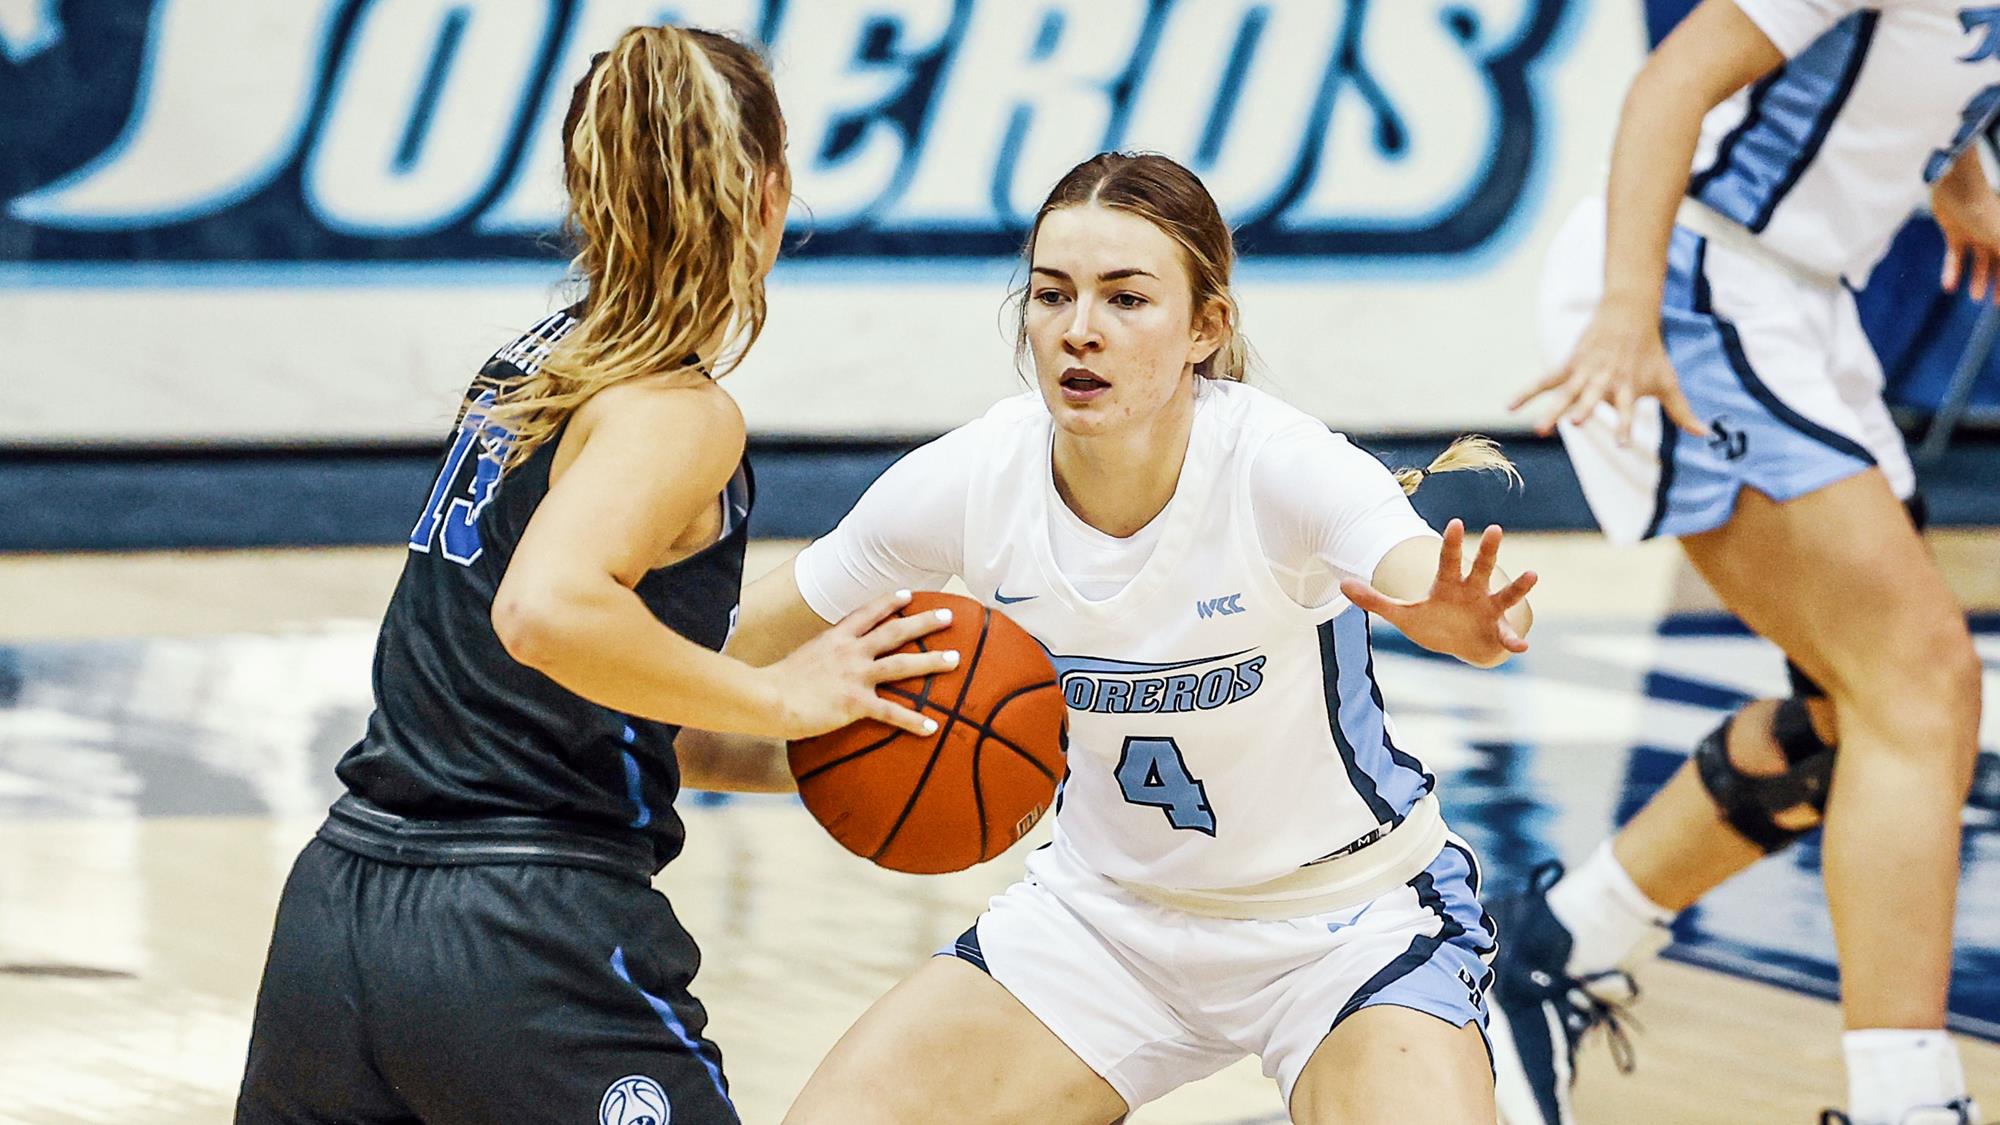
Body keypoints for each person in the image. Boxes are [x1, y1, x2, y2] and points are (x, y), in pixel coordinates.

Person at [713, 151, 1537, 1124]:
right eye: (1051, 295)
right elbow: (716, 658)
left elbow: (1432, 583)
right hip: (1102, 922)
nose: (1079, 331)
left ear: (1205, 327)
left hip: (1346, 923)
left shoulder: (1281, 466)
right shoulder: (971, 479)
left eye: (1125, 299)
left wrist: (1461, 621)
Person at [233, 25, 954, 1125]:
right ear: (770, 193)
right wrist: (778, 691)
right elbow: (546, 611)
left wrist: (844, 742)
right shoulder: (677, 414)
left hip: (341, 914)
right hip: (521, 937)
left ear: (585, 185)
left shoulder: (532, 366)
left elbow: (603, 707)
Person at [1501, 2, 1992, 1123]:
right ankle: (1904, 1104)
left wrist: (1957, 175)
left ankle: (1561, 947)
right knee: (1915, 685)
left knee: (1851, 724)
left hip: (1798, 303)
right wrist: (1629, 309)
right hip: (1686, 282)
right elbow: (1672, 80)